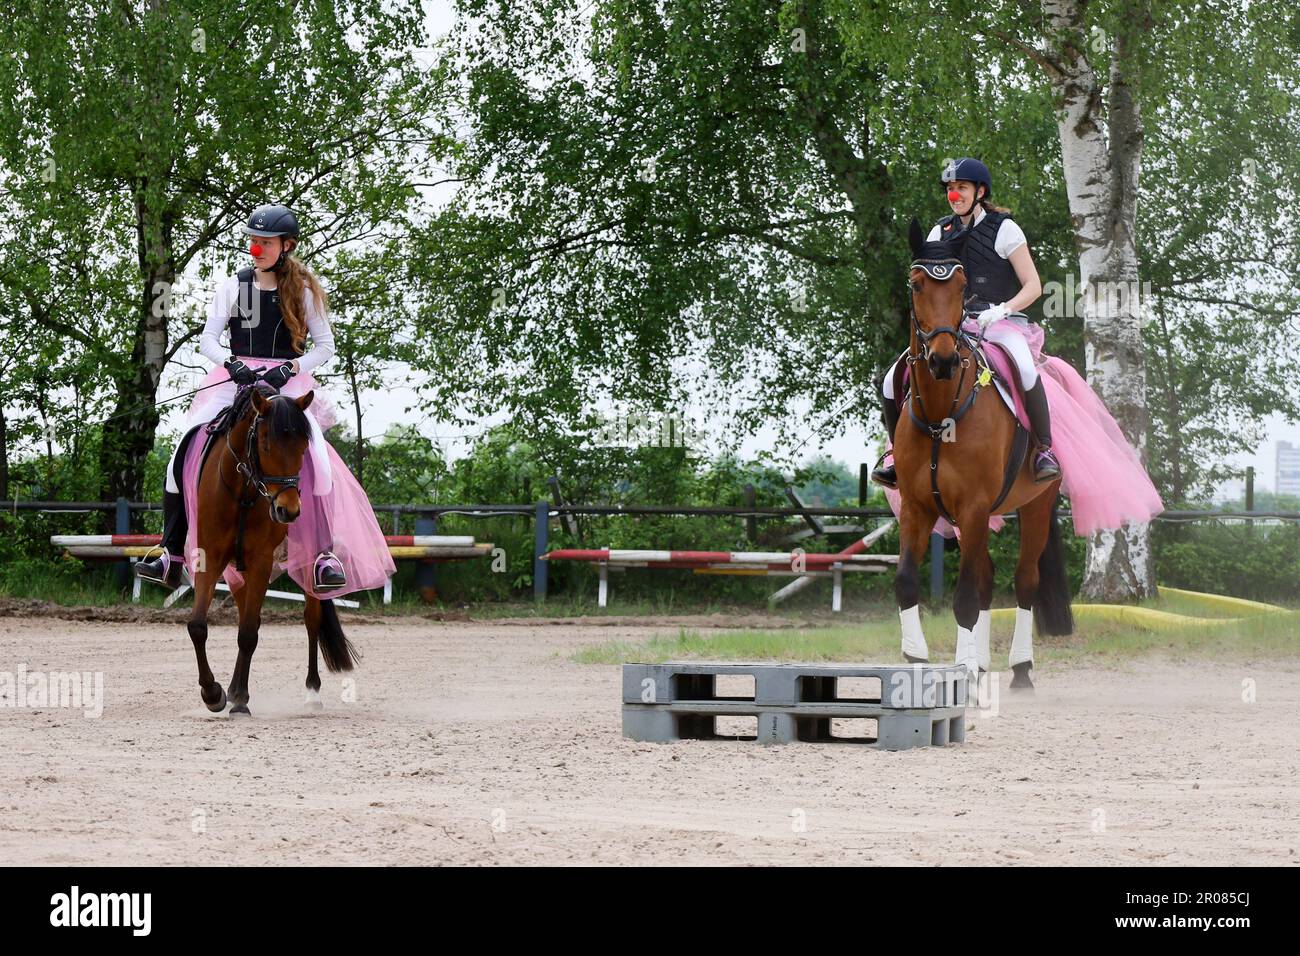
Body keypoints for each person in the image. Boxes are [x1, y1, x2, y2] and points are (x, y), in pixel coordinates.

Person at [135, 204, 394, 597]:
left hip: (285, 380)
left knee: (319, 457)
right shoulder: (233, 286)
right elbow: (208, 339)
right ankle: (170, 550)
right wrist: (233, 364)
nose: (256, 249)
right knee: (184, 446)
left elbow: (325, 347)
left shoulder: (304, 290)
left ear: (286, 246)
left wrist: (289, 369)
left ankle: (325, 555)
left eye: (265, 243)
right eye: (253, 242)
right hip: (236, 379)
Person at [871, 157, 1060, 488]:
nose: (954, 195)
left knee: (1026, 369)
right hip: (951, 326)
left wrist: (1002, 309)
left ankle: (1043, 449)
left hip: (999, 322)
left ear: (980, 191)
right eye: (950, 189)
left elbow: (1033, 286)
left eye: (961, 188)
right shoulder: (939, 232)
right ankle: (895, 456)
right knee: (890, 380)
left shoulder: (1005, 229)